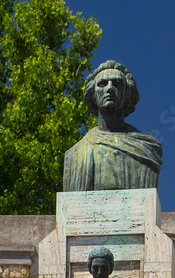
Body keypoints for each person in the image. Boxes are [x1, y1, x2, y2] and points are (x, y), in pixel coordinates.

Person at [63, 60, 163, 191]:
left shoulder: (147, 148)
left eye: (117, 83)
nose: (110, 88)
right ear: (93, 95)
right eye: (102, 84)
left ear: (127, 94)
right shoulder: (75, 154)